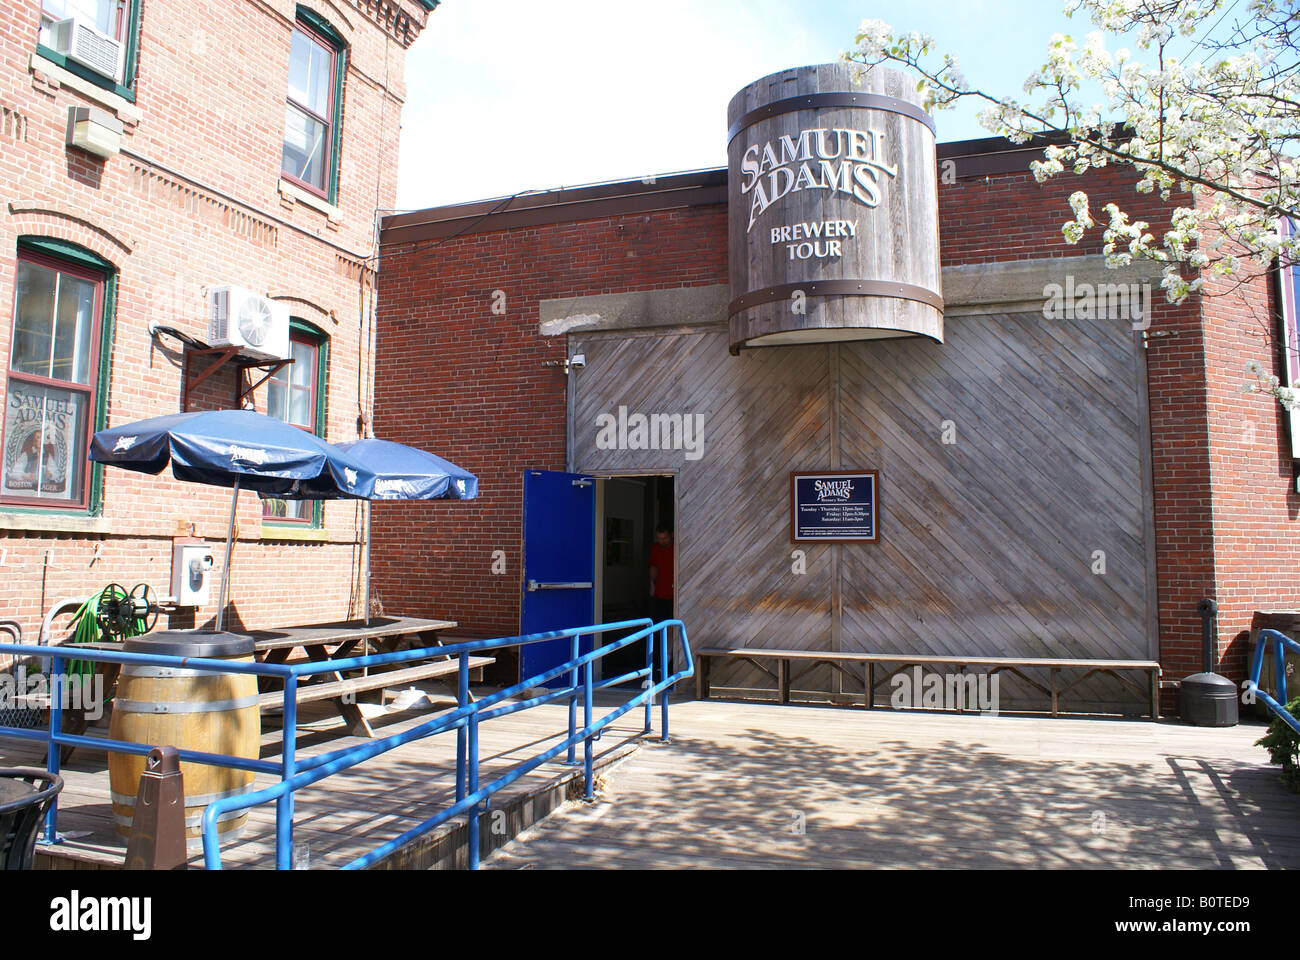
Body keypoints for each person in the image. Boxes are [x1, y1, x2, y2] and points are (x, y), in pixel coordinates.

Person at [648, 527, 674, 678]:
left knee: (671, 627)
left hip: (674, 594)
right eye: (659, 538)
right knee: (659, 627)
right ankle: (661, 661)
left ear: (671, 534)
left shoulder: (676, 547)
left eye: (664, 538)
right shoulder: (656, 548)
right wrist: (652, 583)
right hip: (660, 593)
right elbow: (653, 566)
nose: (662, 541)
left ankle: (668, 661)